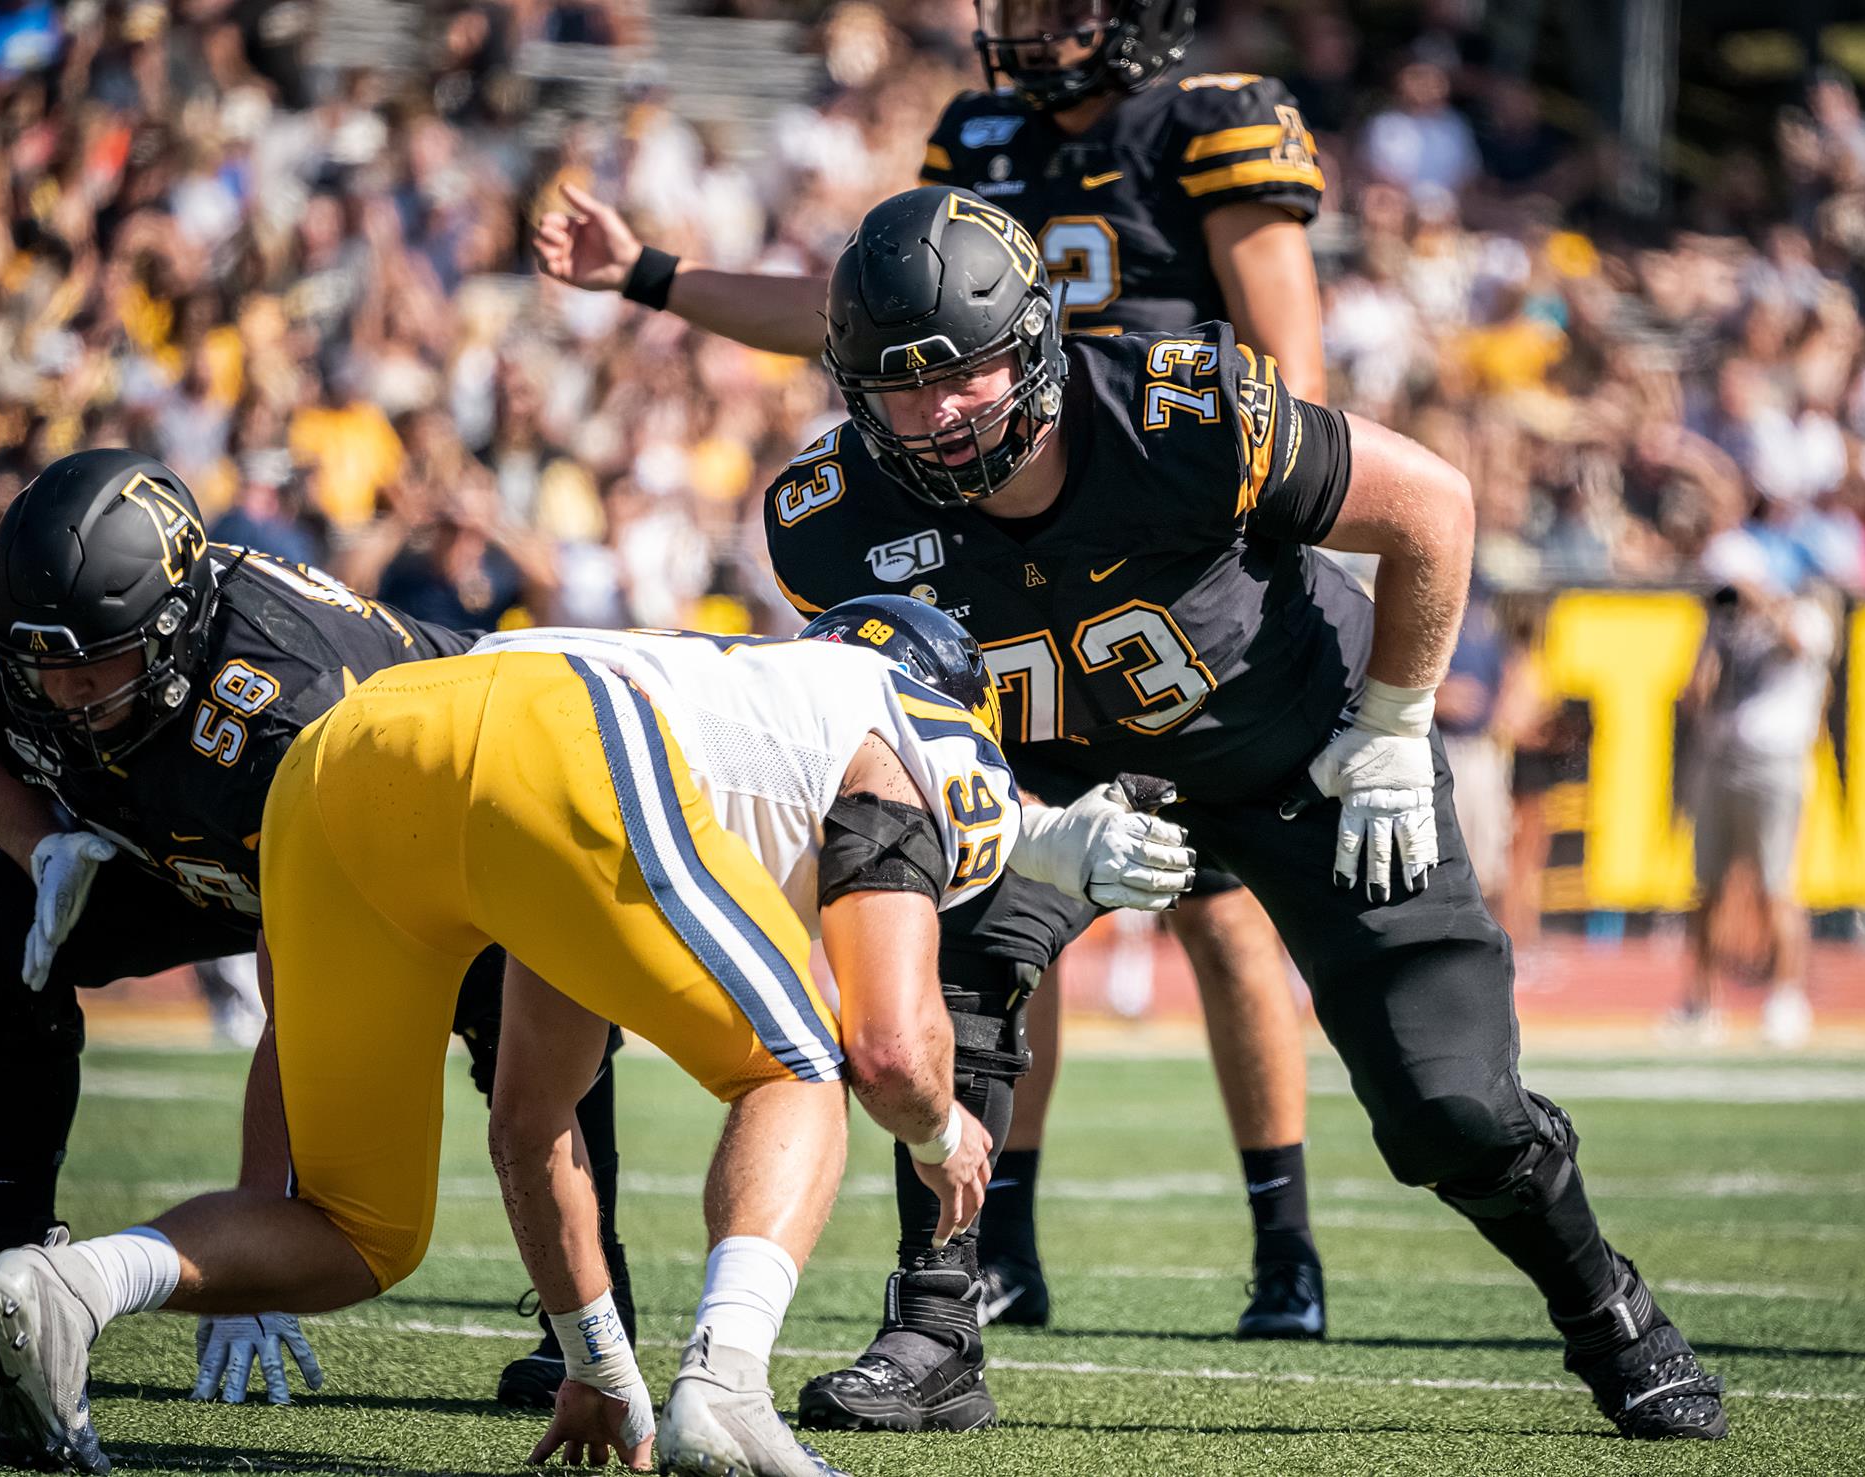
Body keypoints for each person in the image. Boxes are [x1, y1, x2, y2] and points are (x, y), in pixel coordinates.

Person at [760, 186, 1726, 1441]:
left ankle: (1607, 1310)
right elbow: (888, 738)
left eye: (968, 375)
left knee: (1449, 1107)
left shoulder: (1177, 415)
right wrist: (1031, 830)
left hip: (1306, 755)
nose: (937, 416)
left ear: (1035, 347)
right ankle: (936, 1324)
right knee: (945, 980)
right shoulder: (832, 520)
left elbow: (1429, 507)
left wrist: (1391, 725)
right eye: (899, 387)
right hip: (1058, 780)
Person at [534, 0, 1336, 1346]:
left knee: (1220, 911)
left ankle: (1286, 1249)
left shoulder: (1211, 125)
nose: (1025, 31)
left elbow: (1290, 375)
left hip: (1163, 549)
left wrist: (1237, 543)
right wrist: (656, 276)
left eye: (1055, 7)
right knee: (1012, 885)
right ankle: (998, 1242)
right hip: (1006, 556)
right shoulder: (984, 136)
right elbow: (876, 319)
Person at [0, 600, 1187, 1474]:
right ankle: (724, 1384)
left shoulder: (733, 713)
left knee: (356, 1232)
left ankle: (72, 1283)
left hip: (353, 753)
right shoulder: (915, 730)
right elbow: (886, 1046)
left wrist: (596, 1361)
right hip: (555, 740)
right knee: (795, 1067)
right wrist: (939, 1127)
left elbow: (530, 1127)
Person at [0, 449, 632, 1415]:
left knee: (526, 1020)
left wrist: (254, 1235)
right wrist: (40, 844)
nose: (67, 694)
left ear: (173, 627)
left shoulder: (280, 711)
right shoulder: (41, 628)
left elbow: (302, 987)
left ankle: (589, 1313)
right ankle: (11, 1245)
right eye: (44, 667)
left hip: (432, 822)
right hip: (183, 824)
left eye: (96, 667)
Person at [1674, 559, 1837, 1050]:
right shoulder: (1728, 626)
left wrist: (1762, 600)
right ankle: (1701, 1003)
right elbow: (1694, 693)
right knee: (1707, 886)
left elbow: (1796, 645)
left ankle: (1787, 998)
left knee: (1776, 885)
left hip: (1775, 766)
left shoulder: (1809, 615)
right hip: (1721, 759)